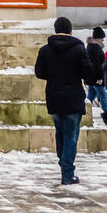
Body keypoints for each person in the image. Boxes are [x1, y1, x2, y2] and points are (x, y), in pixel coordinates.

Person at [35, 16, 93, 185]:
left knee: (60, 133)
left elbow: (40, 72)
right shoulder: (78, 48)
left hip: (53, 96)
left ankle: (64, 164)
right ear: (70, 31)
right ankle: (67, 172)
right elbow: (87, 72)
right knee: (71, 136)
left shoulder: (45, 50)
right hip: (73, 97)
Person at [85, 27, 107, 119]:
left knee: (89, 99)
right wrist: (100, 78)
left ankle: (82, 113)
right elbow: (97, 65)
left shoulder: (90, 47)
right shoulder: (95, 49)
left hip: (91, 78)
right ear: (98, 38)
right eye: (102, 38)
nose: (103, 40)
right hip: (97, 79)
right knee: (104, 98)